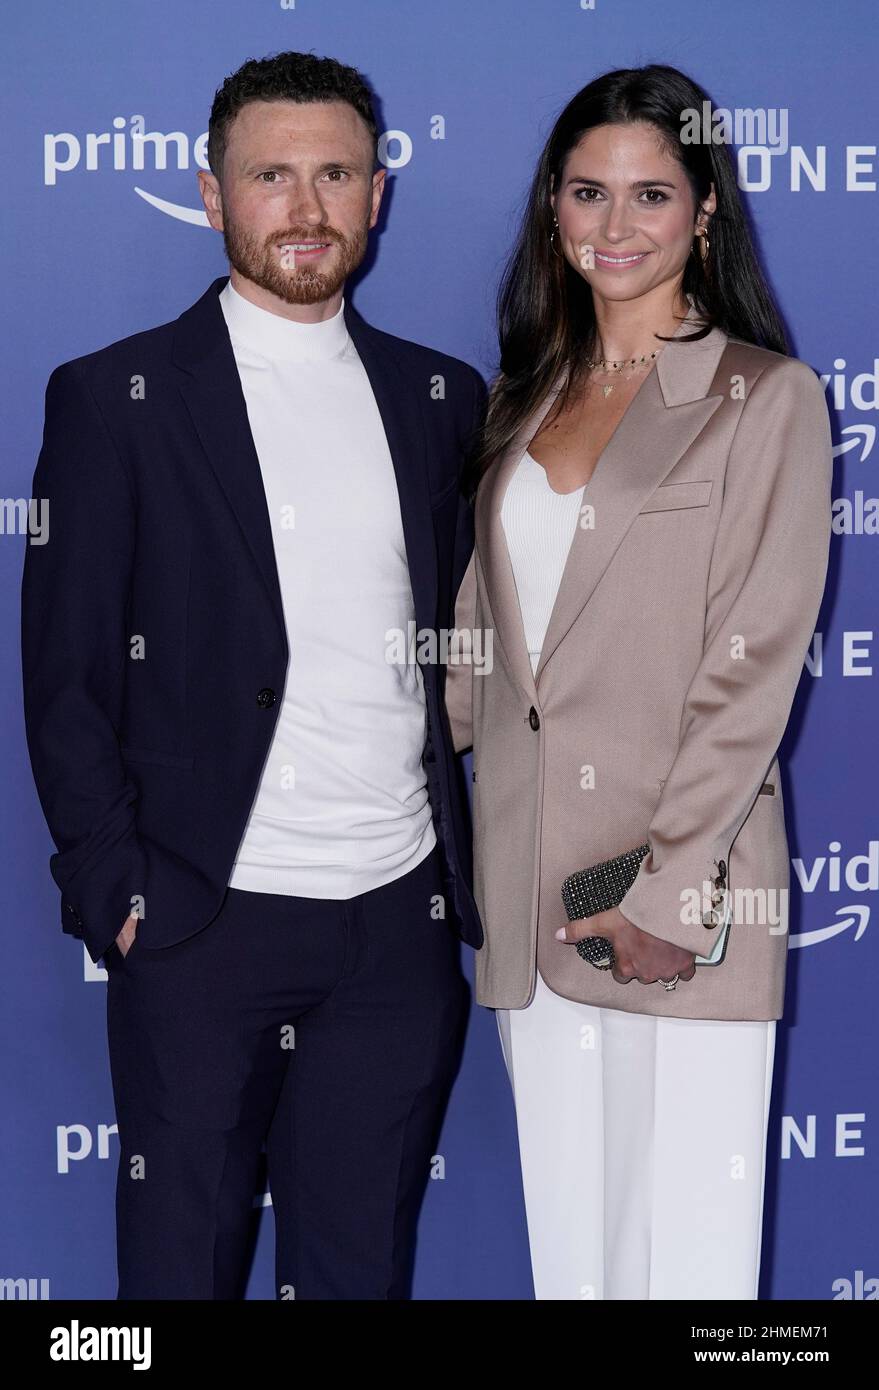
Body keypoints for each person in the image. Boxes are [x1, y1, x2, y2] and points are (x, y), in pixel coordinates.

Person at [21, 50, 486, 1300]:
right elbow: (66, 677)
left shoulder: (439, 397)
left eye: (336, 172)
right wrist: (116, 889)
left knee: (358, 1274)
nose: (307, 206)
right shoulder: (115, 398)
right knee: (174, 1282)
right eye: (271, 175)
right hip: (197, 920)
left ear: (378, 194)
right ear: (211, 194)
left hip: (395, 924)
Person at [445, 64, 833, 1300]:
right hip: (530, 896)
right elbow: (480, 659)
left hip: (684, 899)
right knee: (578, 1266)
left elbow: (755, 666)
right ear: (551, 212)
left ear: (705, 210)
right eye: (587, 193)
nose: (615, 228)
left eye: (651, 195)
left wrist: (666, 893)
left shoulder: (762, 399)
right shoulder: (523, 399)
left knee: (692, 1275)